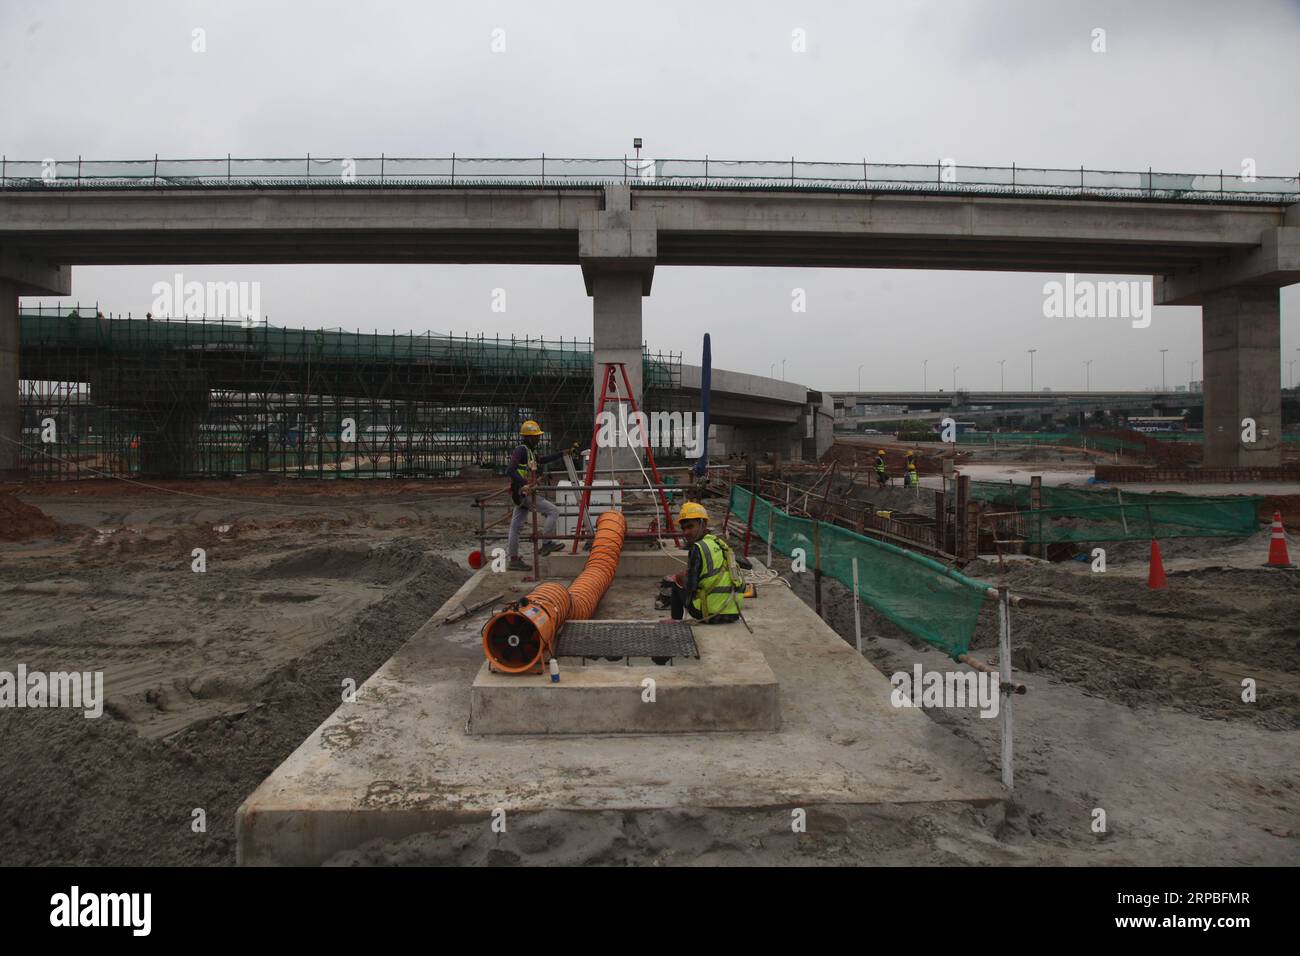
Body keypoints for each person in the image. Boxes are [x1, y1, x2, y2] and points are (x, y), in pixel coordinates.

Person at [506, 420, 577, 571]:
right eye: (537, 436)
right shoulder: (521, 450)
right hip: (524, 492)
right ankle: (546, 543)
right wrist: (525, 482)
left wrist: (561, 453)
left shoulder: (529, 451)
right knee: (553, 511)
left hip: (521, 494)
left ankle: (513, 559)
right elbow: (510, 470)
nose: (539, 439)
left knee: (515, 527)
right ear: (530, 437)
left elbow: (542, 460)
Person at [661, 502, 745, 624]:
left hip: (709, 614)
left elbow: (691, 586)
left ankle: (675, 619)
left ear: (703, 524)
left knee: (677, 578)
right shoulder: (719, 543)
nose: (686, 532)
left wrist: (682, 578)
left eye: (690, 527)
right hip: (733, 612)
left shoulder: (698, 548)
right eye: (684, 528)